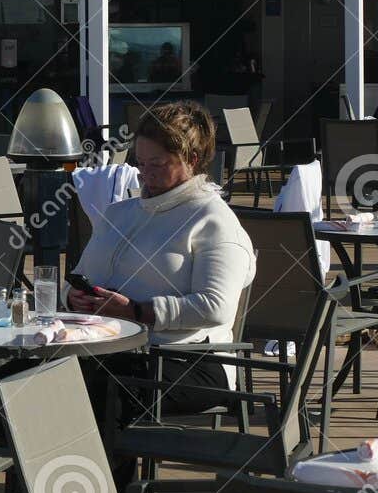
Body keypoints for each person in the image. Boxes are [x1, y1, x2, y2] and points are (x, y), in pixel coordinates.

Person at [67, 99, 255, 443]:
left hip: (189, 360)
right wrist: (75, 296)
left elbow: (216, 307)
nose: (146, 174)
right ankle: (38, 483)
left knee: (100, 392)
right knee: (17, 381)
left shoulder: (213, 220)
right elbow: (81, 272)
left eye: (158, 163)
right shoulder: (119, 212)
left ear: (191, 160)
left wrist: (135, 311)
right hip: (109, 348)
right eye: (140, 163)